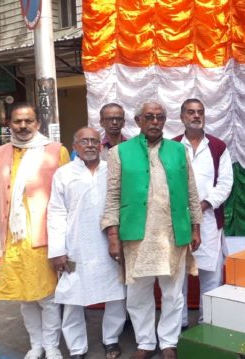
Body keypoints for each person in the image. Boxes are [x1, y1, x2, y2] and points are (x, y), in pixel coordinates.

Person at [101, 99, 202, 359]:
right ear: (138, 121)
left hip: (172, 234)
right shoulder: (119, 152)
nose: (155, 121)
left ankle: (168, 341)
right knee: (137, 294)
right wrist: (113, 235)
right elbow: (112, 197)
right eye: (149, 117)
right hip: (137, 237)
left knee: (172, 292)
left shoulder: (179, 151)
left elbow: (192, 191)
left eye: (159, 117)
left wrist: (195, 227)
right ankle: (145, 342)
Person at [0, 102, 70, 359]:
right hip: (15, 239)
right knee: (25, 298)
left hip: (44, 235)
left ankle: (52, 346)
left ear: (37, 123)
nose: (23, 126)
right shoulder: (1, 152)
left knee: (47, 297)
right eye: (17, 121)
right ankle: (36, 345)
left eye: (28, 121)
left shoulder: (56, 151)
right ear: (9, 124)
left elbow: (66, 196)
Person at [47, 128, 126, 359]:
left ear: (101, 147)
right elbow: (56, 212)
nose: (90, 145)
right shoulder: (63, 174)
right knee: (73, 298)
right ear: (75, 147)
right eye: (84, 141)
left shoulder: (112, 171)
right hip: (75, 245)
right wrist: (58, 250)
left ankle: (111, 339)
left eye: (94, 141)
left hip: (109, 244)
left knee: (116, 294)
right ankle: (77, 348)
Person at [173, 98, 233, 330]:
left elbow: (226, 183)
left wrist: (205, 204)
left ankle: (207, 324)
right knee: (177, 278)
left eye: (200, 112)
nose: (196, 116)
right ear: (182, 117)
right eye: (190, 112)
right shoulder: (173, 146)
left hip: (208, 221)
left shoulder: (218, 147)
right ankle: (178, 327)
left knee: (211, 276)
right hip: (177, 221)